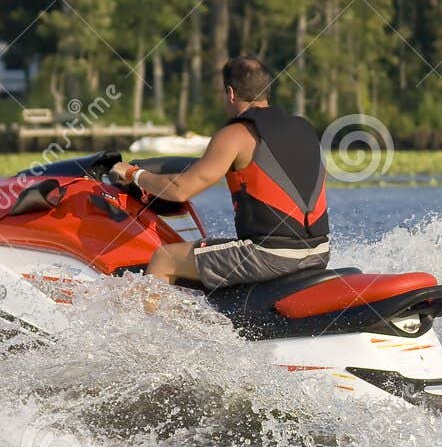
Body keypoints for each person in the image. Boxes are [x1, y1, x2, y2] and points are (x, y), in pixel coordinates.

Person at [109, 56, 329, 289]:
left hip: (270, 255)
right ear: (267, 92)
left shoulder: (236, 133)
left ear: (231, 93)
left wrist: (133, 173)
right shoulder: (303, 127)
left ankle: (153, 326)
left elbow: (180, 190)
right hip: (319, 252)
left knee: (165, 258)